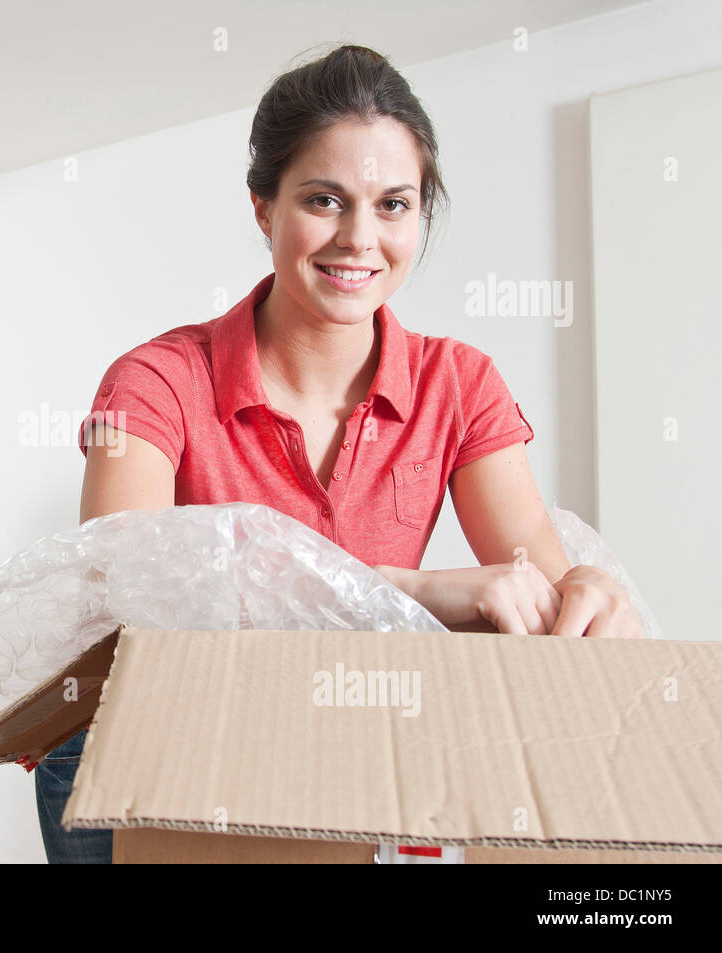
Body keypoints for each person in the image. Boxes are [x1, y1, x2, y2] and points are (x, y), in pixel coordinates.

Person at [35, 44, 645, 865]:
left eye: (394, 204)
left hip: (335, 737)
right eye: (325, 199)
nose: (360, 239)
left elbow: (532, 573)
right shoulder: (155, 381)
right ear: (263, 207)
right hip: (160, 741)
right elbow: (132, 591)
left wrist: (586, 592)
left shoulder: (458, 384)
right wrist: (406, 589)